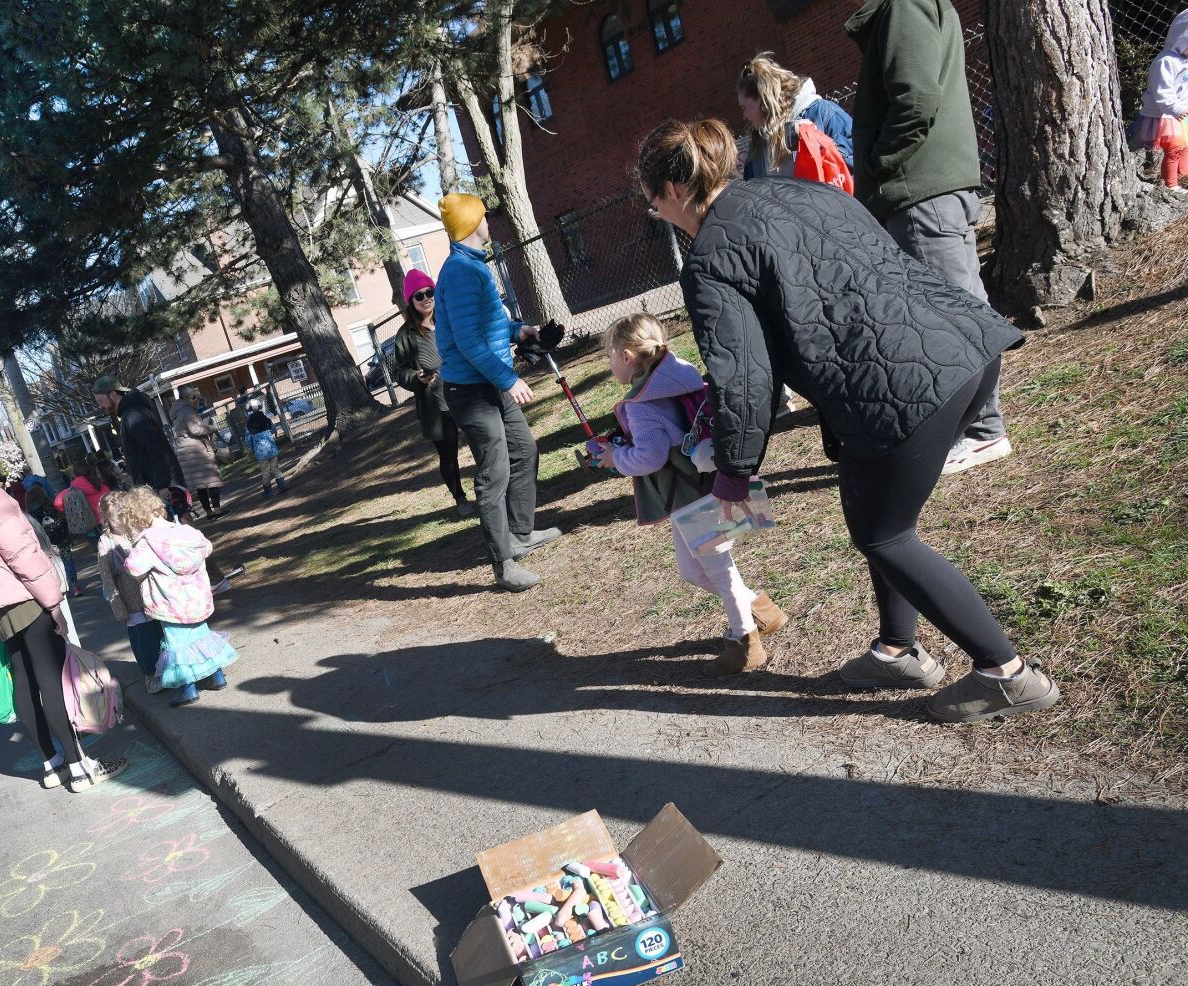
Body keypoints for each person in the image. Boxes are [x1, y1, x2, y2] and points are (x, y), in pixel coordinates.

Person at [638, 117, 1060, 723]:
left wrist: (732, 472)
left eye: (656, 206)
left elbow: (746, 377)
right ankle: (897, 650)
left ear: (675, 191)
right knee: (873, 514)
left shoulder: (710, 256)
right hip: (961, 344)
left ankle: (1007, 674)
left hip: (901, 383)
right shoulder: (796, 188)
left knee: (884, 533)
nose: (663, 215)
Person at [846, 0, 1010, 477]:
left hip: (920, 189)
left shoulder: (904, 4)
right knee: (953, 310)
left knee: (954, 315)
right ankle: (969, 427)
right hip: (923, 187)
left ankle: (983, 431)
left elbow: (914, 98)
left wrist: (879, 163)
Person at [0, 430, 125, 792]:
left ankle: (52, 764)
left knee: (23, 675)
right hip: (22, 594)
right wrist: (52, 602)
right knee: (49, 675)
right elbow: (23, 555)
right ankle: (80, 766)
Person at [594, 314, 788, 675]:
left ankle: (744, 644)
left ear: (626, 356)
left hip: (694, 497)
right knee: (693, 571)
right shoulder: (681, 377)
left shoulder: (642, 405)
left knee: (719, 570)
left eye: (608, 358)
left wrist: (614, 456)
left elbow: (649, 458)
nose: (609, 367)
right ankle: (761, 611)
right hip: (710, 486)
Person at [434, 192, 561, 592]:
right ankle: (503, 564)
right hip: (471, 391)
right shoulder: (459, 272)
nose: (489, 221)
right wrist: (509, 379)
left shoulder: (472, 267)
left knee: (524, 450)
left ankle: (520, 535)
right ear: (471, 222)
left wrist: (517, 330)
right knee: (494, 472)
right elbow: (469, 344)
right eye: (484, 216)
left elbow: (484, 328)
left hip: (488, 382)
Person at [115, 488, 237, 707]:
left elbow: (134, 568)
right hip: (196, 598)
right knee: (201, 635)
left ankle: (187, 687)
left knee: (176, 645)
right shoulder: (185, 531)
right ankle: (216, 675)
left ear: (134, 519)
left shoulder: (147, 543)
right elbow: (206, 547)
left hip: (170, 602)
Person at [392, 269, 474, 516]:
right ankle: (460, 498)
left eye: (430, 292)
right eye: (419, 296)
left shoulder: (449, 319)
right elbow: (400, 371)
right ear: (411, 302)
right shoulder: (405, 335)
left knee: (483, 442)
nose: (426, 298)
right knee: (448, 455)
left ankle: (492, 488)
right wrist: (417, 378)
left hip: (467, 395)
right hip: (436, 405)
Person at [1134, 6, 1188, 192]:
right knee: (1173, 149)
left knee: (1184, 146)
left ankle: (1184, 176)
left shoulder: (1185, 57)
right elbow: (1161, 91)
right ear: (1184, 37)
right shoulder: (1166, 61)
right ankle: (1171, 185)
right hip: (1164, 114)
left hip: (1178, 113)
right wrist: (1175, 107)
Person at [736, 52, 853, 180]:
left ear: (762, 100)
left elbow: (856, 150)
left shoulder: (821, 112)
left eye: (744, 108)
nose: (744, 116)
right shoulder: (757, 147)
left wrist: (817, 147)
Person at [97, 492, 162, 687]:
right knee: (143, 638)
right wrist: (117, 605)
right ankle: (150, 673)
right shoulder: (106, 543)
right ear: (107, 519)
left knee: (159, 630)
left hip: (151, 592)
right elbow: (106, 577)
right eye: (113, 518)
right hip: (129, 598)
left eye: (121, 516)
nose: (118, 522)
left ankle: (166, 667)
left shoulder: (137, 532)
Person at [92, 377, 184, 511]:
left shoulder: (133, 415)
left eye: (100, 401)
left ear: (113, 394)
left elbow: (156, 449)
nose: (100, 406)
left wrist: (163, 485)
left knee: (180, 522)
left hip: (162, 486)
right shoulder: (128, 414)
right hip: (155, 484)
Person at [172, 388, 228, 518]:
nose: (196, 400)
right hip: (196, 450)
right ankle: (217, 511)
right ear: (187, 398)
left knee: (200, 486)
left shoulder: (177, 411)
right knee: (212, 480)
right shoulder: (187, 410)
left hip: (186, 450)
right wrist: (211, 428)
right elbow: (196, 430)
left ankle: (209, 513)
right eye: (194, 397)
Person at [24, 483, 81, 598]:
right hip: (61, 538)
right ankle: (74, 586)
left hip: (47, 544)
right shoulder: (51, 503)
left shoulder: (30, 514)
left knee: (54, 565)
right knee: (68, 561)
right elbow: (63, 519)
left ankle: (61, 587)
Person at [243, 402, 287, 499]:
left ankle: (268, 492)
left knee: (265, 472)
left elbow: (247, 442)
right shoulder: (267, 420)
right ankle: (282, 486)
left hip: (261, 453)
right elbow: (274, 430)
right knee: (275, 468)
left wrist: (251, 447)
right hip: (272, 449)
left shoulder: (248, 426)